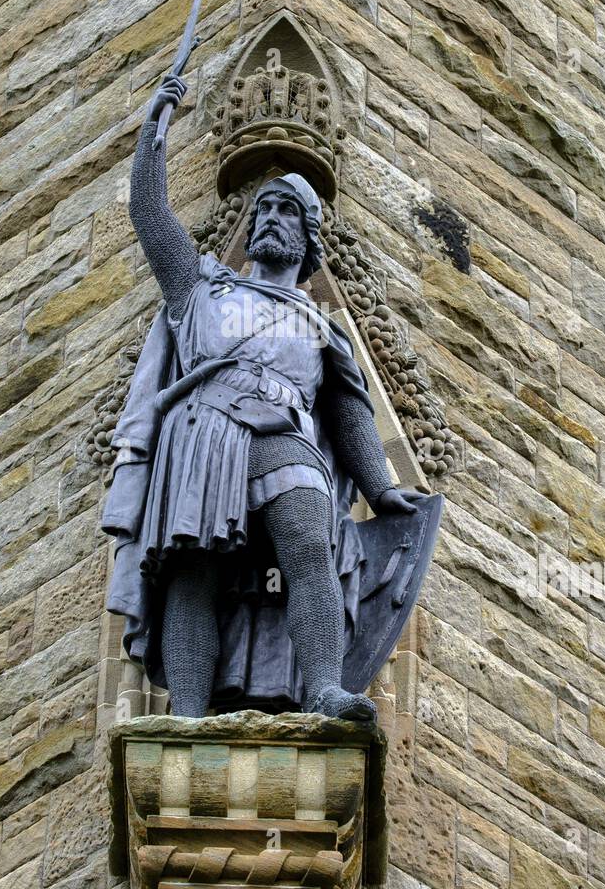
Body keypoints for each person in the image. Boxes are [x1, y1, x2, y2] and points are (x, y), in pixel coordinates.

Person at [105, 74, 423, 722]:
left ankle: (325, 688)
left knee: (311, 548)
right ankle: (188, 714)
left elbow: (350, 412)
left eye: (286, 212)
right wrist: (153, 134)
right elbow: (150, 217)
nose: (271, 219)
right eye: (265, 210)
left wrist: (383, 489)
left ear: (307, 240)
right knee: (192, 571)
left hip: (285, 436)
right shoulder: (202, 289)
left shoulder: (317, 324)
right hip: (204, 432)